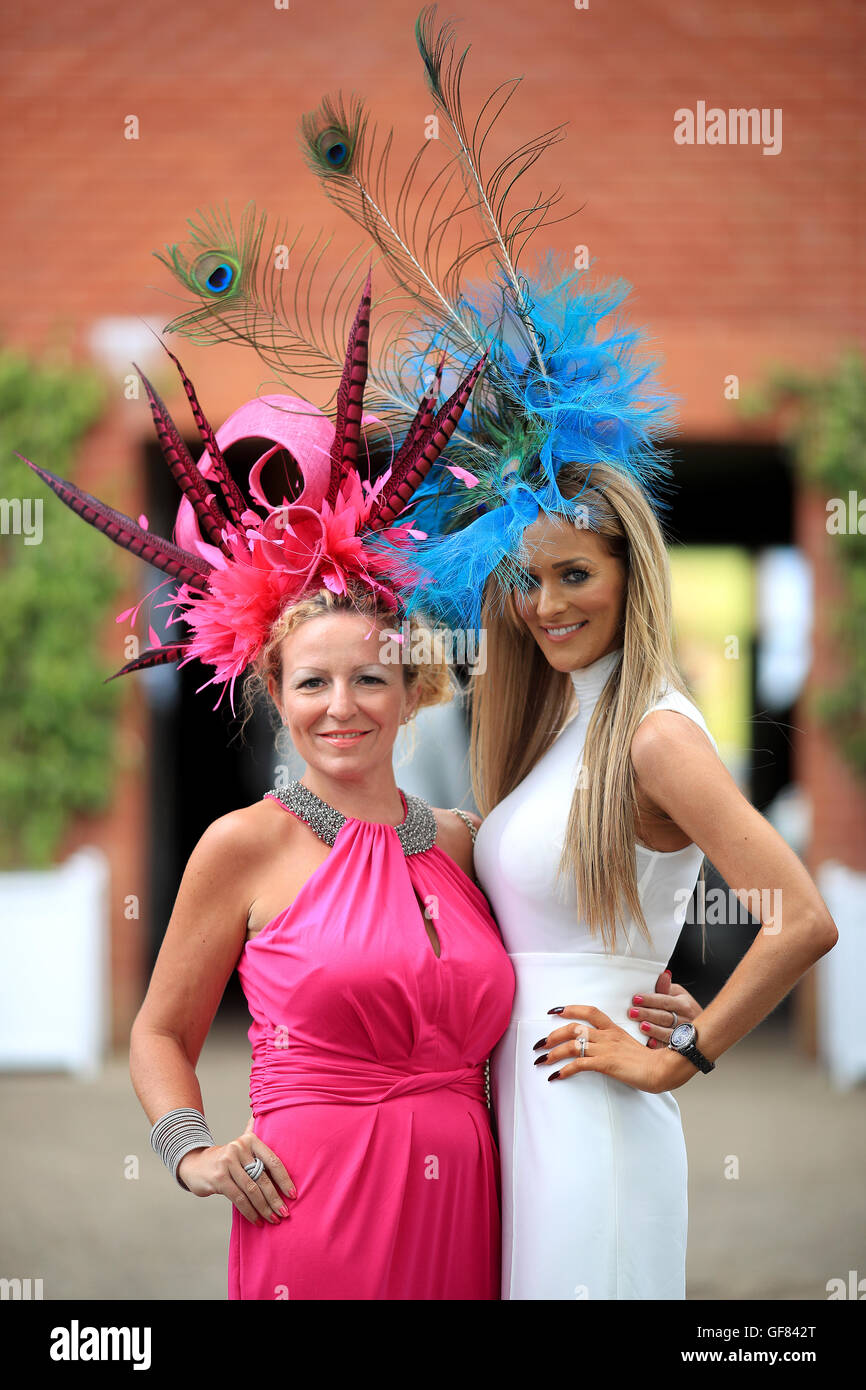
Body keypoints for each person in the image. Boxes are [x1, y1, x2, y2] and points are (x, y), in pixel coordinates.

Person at [23, 277, 518, 1300]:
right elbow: (160, 1030)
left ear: (413, 684)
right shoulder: (243, 846)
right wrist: (190, 1150)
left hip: (470, 1204)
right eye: (312, 683)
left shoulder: (467, 844)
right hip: (316, 1211)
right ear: (275, 694)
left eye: (368, 678)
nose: (342, 706)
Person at [468, 461, 838, 1299]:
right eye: (530, 578)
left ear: (632, 573)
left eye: (575, 574)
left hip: (592, 1113)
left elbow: (804, 918)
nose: (548, 604)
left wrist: (679, 1059)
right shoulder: (567, 719)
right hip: (524, 1104)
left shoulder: (656, 735)